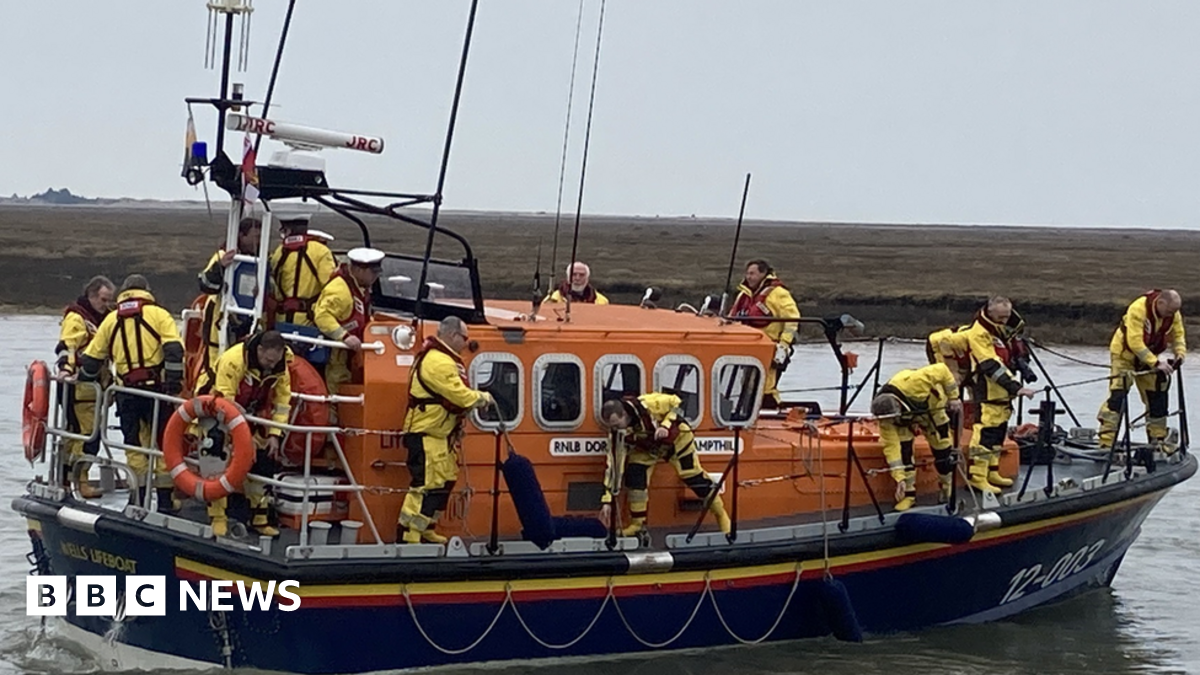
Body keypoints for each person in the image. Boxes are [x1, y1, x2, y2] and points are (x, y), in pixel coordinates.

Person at [79, 274, 184, 512]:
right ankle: (166, 501)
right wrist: (174, 386)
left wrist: (82, 378)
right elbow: (174, 350)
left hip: (126, 392)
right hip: (157, 392)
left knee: (134, 445)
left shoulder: (110, 319)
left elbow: (93, 358)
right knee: (162, 444)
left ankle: (138, 498)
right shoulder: (160, 315)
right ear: (146, 291)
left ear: (124, 292)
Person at [398, 316, 494, 544]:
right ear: (452, 336)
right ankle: (408, 535)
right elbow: (458, 395)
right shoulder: (438, 362)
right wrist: (483, 397)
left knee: (445, 480)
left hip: (440, 435)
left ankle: (426, 526)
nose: (466, 342)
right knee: (425, 485)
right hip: (426, 434)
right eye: (464, 337)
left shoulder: (443, 359)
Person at [195, 330, 292, 537]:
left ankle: (260, 518)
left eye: (274, 361)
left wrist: (275, 434)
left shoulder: (281, 366)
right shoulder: (234, 360)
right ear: (259, 350)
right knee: (216, 452)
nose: (271, 365)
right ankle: (218, 517)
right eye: (267, 360)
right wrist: (244, 439)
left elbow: (282, 403)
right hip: (215, 406)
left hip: (249, 411)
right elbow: (225, 400)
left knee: (265, 459)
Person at [598, 392, 731, 537]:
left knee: (694, 477)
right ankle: (637, 524)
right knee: (635, 476)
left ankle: (721, 515)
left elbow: (677, 404)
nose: (616, 429)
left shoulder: (648, 404)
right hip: (647, 449)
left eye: (617, 425)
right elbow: (614, 467)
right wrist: (607, 500)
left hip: (678, 442)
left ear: (624, 414)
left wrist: (665, 426)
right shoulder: (617, 434)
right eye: (612, 427)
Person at [1096, 289, 1186, 451]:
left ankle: (1157, 440)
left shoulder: (1173, 314)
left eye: (1173, 312)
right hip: (1125, 357)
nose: (1170, 315)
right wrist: (1156, 363)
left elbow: (1178, 335)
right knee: (1118, 396)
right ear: (1160, 303)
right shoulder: (1138, 309)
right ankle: (1106, 442)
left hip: (1149, 359)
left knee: (1157, 395)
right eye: (1169, 311)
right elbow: (1135, 342)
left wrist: (1180, 354)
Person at [964, 297, 1036, 494]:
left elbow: (1014, 350)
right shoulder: (978, 333)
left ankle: (992, 471)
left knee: (999, 429)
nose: (1005, 321)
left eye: (1007, 316)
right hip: (986, 387)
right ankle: (977, 476)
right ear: (990, 312)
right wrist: (1016, 388)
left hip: (1004, 391)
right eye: (1001, 317)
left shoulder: (1005, 329)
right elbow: (990, 365)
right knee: (985, 430)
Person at [870, 363, 962, 510]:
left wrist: (953, 397)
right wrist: (899, 477)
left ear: (898, 407)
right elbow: (892, 449)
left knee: (943, 451)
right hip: (907, 421)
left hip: (933, 410)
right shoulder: (886, 419)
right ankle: (909, 495)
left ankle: (947, 488)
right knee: (904, 453)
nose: (889, 423)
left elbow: (942, 369)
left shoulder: (914, 383)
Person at [54, 275, 115, 498]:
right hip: (78, 387)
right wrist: (66, 368)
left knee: (82, 436)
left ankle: (68, 480)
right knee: (84, 436)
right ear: (91, 296)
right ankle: (77, 481)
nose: (106, 305)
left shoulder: (105, 319)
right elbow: (67, 346)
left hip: (95, 389)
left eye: (109, 300)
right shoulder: (77, 318)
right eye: (103, 299)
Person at [197, 217, 266, 384]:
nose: (259, 241)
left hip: (246, 322)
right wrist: (220, 267)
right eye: (255, 236)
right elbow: (206, 285)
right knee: (214, 368)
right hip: (220, 322)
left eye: (261, 236)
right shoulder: (223, 256)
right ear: (241, 235)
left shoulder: (261, 261)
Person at [730, 259, 800, 408]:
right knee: (747, 385)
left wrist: (784, 345)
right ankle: (748, 411)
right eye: (747, 273)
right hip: (747, 347)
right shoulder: (744, 295)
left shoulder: (778, 293)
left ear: (763, 274)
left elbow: (792, 319)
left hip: (770, 348)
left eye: (753, 273)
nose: (749, 277)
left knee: (766, 386)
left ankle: (771, 411)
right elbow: (732, 316)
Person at [314, 247, 384, 395]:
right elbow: (322, 315)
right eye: (373, 272)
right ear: (358, 270)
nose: (376, 277)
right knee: (337, 390)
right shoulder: (340, 290)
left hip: (350, 354)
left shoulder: (359, 287)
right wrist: (344, 336)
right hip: (337, 354)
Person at [268, 214, 336, 328]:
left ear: (288, 230)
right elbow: (330, 286)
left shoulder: (278, 252)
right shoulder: (321, 251)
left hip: (281, 319)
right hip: (308, 320)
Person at [544, 261, 609, 305]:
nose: (577, 278)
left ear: (587, 278)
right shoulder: (553, 299)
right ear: (567, 277)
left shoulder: (602, 301)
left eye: (582, 275)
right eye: (574, 274)